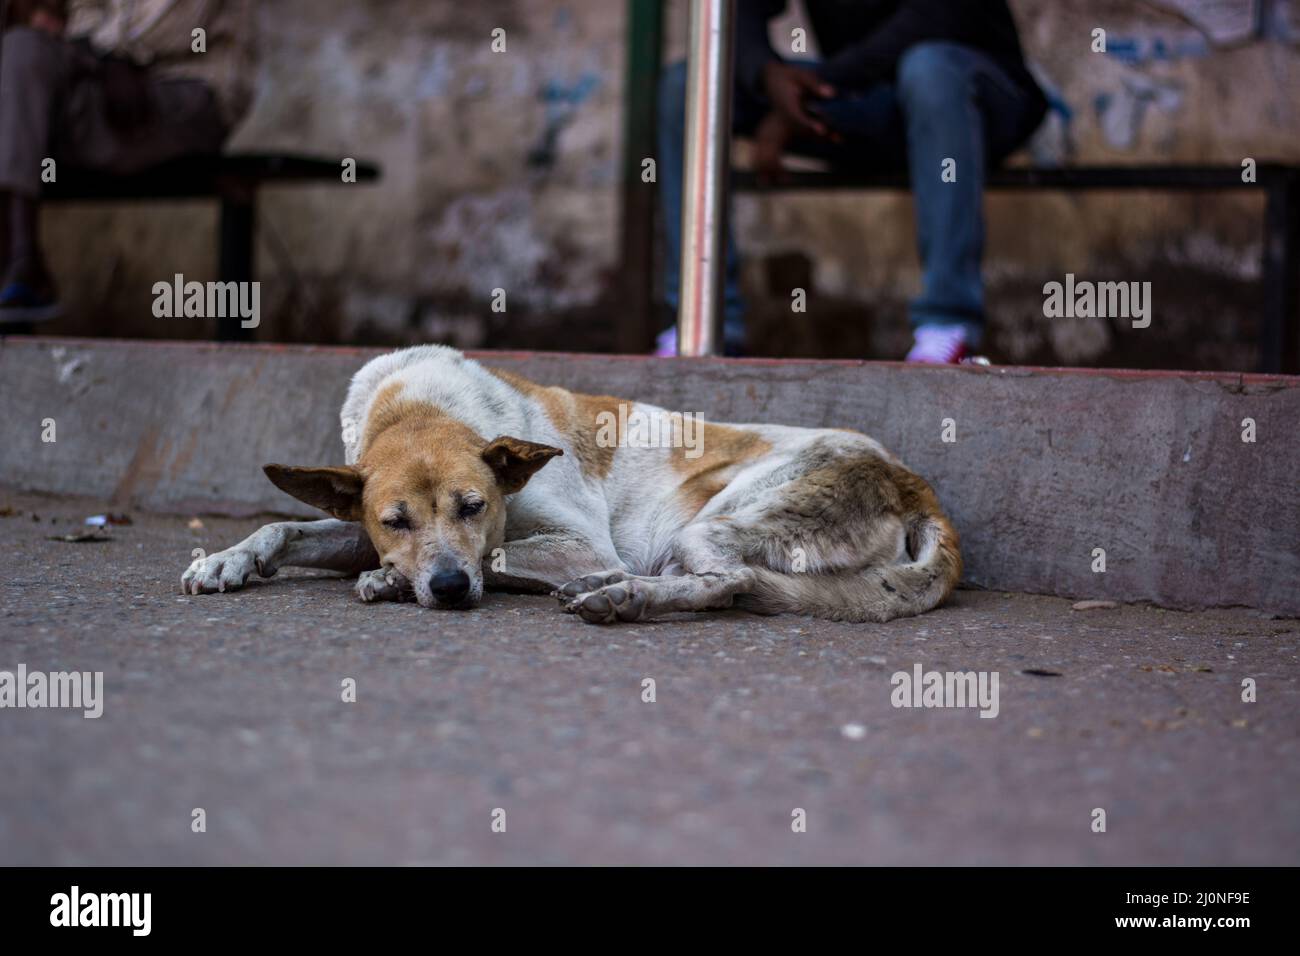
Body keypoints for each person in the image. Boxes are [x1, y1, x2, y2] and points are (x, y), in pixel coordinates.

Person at [657, 0, 1048, 362]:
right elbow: (739, 8)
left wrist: (809, 95)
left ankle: (948, 322)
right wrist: (766, 75)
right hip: (866, 95)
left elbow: (938, 16)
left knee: (929, 69)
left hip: (974, 98)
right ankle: (709, 323)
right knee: (689, 85)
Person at [0, 0, 254, 323]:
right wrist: (101, 55)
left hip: (184, 93)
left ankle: (20, 269)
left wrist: (103, 51)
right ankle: (22, 260)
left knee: (28, 94)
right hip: (108, 80)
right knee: (22, 49)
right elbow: (84, 13)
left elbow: (180, 26)